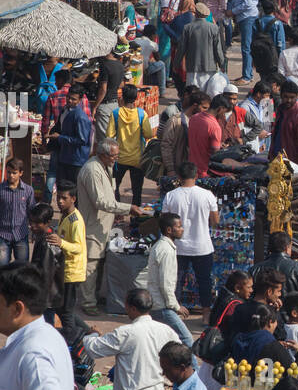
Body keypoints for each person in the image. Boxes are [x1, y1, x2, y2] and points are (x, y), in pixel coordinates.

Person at [84, 288, 180, 390]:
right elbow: (179, 350)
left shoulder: (126, 332)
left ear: (133, 308)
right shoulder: (166, 330)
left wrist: (92, 334)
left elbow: (93, 348)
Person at [77, 139, 143, 314]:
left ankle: (95, 297)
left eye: (117, 155)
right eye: (113, 155)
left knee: (100, 265)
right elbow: (100, 201)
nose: (116, 158)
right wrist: (127, 208)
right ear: (103, 154)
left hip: (104, 226)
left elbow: (110, 195)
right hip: (92, 227)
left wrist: (117, 211)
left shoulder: (106, 167)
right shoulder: (92, 170)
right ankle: (88, 302)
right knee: (91, 266)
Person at [162, 162, 220, 315]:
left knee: (177, 281)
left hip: (178, 247)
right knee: (204, 281)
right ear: (196, 176)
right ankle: (206, 314)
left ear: (179, 177)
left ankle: (176, 313)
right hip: (202, 246)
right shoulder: (207, 195)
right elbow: (215, 221)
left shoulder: (171, 196)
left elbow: (164, 221)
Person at [137, 211, 191, 347]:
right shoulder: (166, 250)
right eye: (178, 227)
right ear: (169, 230)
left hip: (159, 304)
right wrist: (175, 306)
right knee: (186, 339)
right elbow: (165, 284)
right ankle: (193, 369)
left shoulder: (163, 246)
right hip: (163, 306)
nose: (181, 229)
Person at [48, 182, 90, 340]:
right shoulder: (64, 215)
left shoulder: (75, 221)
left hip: (72, 272)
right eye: (58, 198)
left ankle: (74, 339)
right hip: (64, 270)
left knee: (66, 312)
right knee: (63, 309)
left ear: (73, 199)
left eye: (64, 198)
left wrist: (60, 243)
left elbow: (79, 247)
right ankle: (87, 331)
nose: (60, 201)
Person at [0, 157, 35, 267]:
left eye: (14, 173)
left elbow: (31, 211)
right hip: (2, 235)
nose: (11, 175)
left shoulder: (28, 190)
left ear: (21, 173)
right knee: (1, 267)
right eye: (9, 172)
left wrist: (34, 229)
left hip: (21, 234)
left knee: (22, 268)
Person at [109, 84, 155, 207]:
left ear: (122, 97)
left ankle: (117, 213)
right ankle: (135, 217)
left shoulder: (115, 113)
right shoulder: (141, 114)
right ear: (135, 98)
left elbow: (109, 135)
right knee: (137, 191)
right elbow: (149, 134)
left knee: (114, 187)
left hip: (119, 159)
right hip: (138, 160)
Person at [50, 84, 93, 187]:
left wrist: (60, 137)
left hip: (76, 161)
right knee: (63, 187)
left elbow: (82, 140)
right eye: (68, 97)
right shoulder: (66, 110)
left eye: (73, 99)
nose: (69, 100)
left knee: (75, 190)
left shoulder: (80, 117)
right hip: (65, 156)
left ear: (80, 100)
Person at [229, 0, 260, 84]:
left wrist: (233, 11)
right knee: (247, 47)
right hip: (245, 17)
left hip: (247, 17)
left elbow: (247, 4)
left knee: (246, 47)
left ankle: (247, 76)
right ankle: (247, 74)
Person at [269, 80, 298, 168]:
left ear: (297, 97)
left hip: (291, 164)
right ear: (281, 95)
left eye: (292, 97)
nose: (289, 100)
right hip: (276, 159)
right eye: (285, 97)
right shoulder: (280, 111)